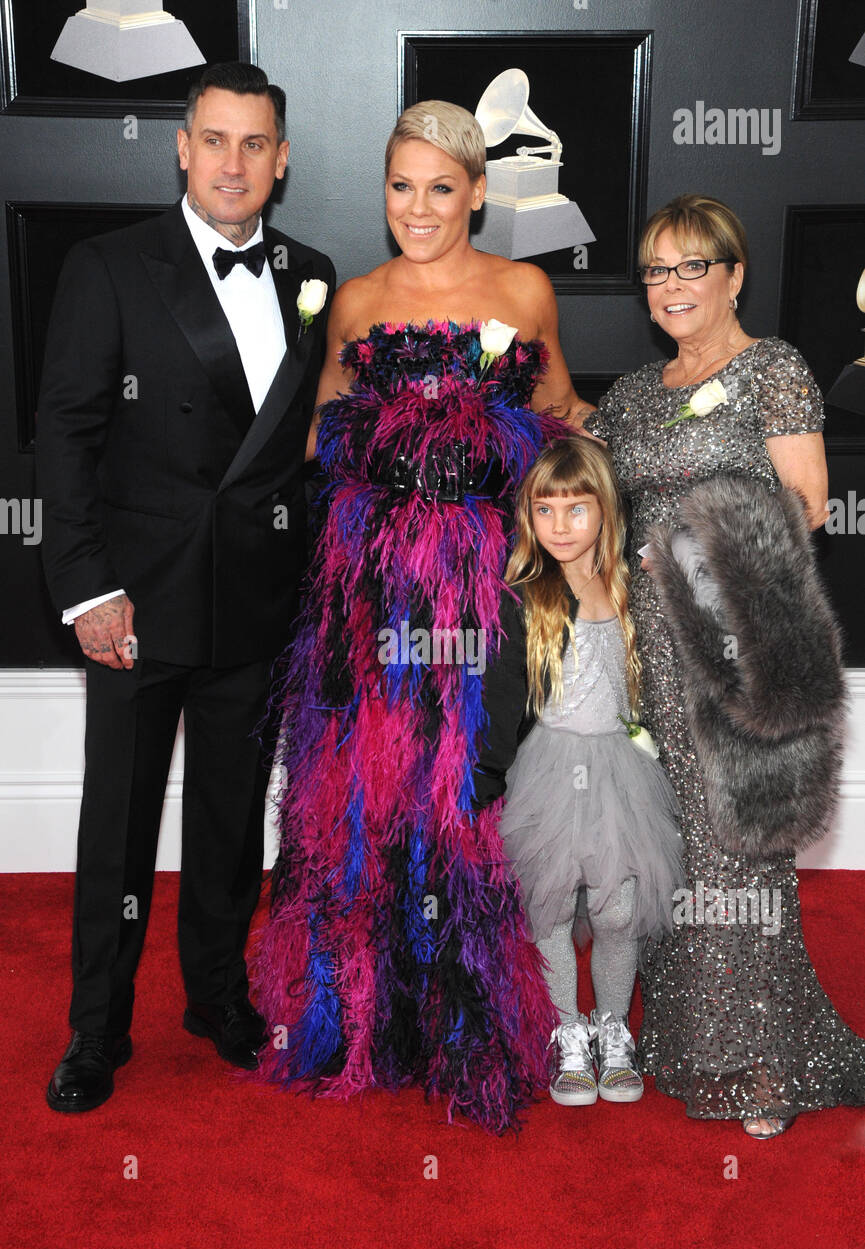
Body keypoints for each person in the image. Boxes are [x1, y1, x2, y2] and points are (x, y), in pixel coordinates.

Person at [250, 100, 594, 1134]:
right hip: (368, 591)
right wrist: (395, 443)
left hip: (479, 584)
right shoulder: (355, 300)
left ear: (479, 191)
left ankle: (461, 1024)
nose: (418, 207)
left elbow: (565, 415)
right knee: (361, 792)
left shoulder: (523, 288)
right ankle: (358, 1020)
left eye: (441, 188)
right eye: (401, 187)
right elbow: (317, 432)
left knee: (461, 794)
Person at [37, 62, 335, 1113]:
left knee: (227, 816)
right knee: (116, 824)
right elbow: (66, 434)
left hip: (255, 601)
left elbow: (293, 451)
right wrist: (86, 589)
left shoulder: (313, 272)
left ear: (282, 158)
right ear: (181, 145)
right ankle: (96, 1030)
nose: (234, 163)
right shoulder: (109, 265)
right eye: (216, 140)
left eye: (256, 144)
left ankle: (215, 996)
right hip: (136, 603)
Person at [583, 193, 865, 1136]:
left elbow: (809, 501)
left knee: (741, 842)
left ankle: (761, 1056)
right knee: (668, 841)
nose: (670, 286)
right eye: (656, 271)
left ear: (734, 274)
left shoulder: (773, 371)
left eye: (690, 266)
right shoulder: (629, 395)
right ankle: (683, 1035)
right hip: (644, 655)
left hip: (739, 641)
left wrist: (700, 548)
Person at [470, 439, 683, 1106]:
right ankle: (567, 1032)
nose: (559, 526)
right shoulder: (521, 596)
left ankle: (612, 1027)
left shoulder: (634, 589)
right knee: (550, 905)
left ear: (606, 511)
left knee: (620, 910)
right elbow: (499, 700)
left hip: (621, 771)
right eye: (544, 510)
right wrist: (480, 782)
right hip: (547, 770)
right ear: (527, 517)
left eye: (576, 509)